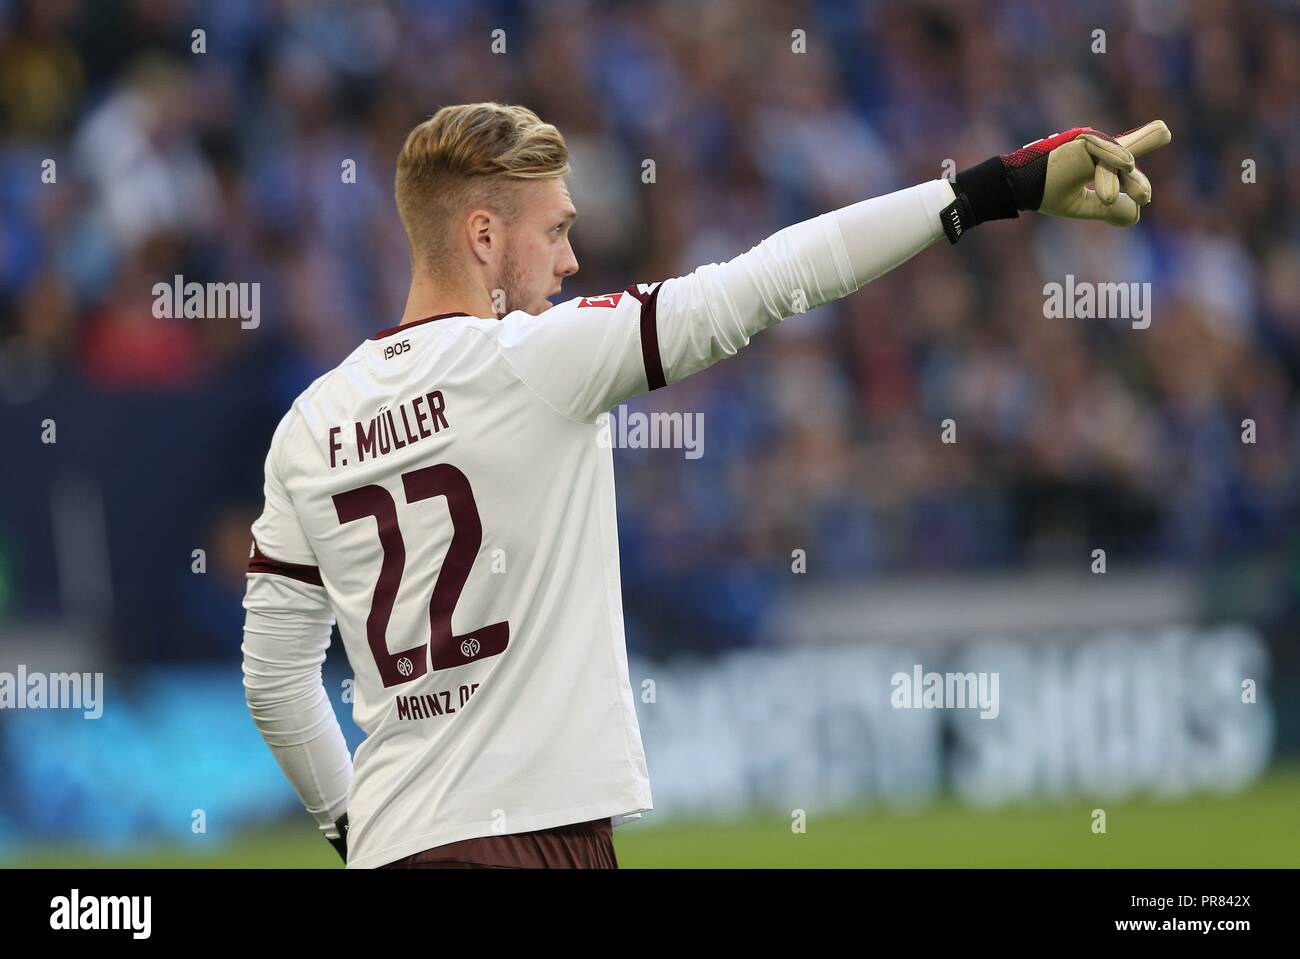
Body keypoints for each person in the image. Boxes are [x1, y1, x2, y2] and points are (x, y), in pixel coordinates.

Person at [240, 102, 1170, 869]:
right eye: (556, 231)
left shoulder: (310, 426)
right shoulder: (537, 359)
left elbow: (277, 680)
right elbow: (766, 282)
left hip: (400, 845)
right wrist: (991, 189)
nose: (569, 261)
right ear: (483, 234)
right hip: (531, 834)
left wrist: (353, 827)